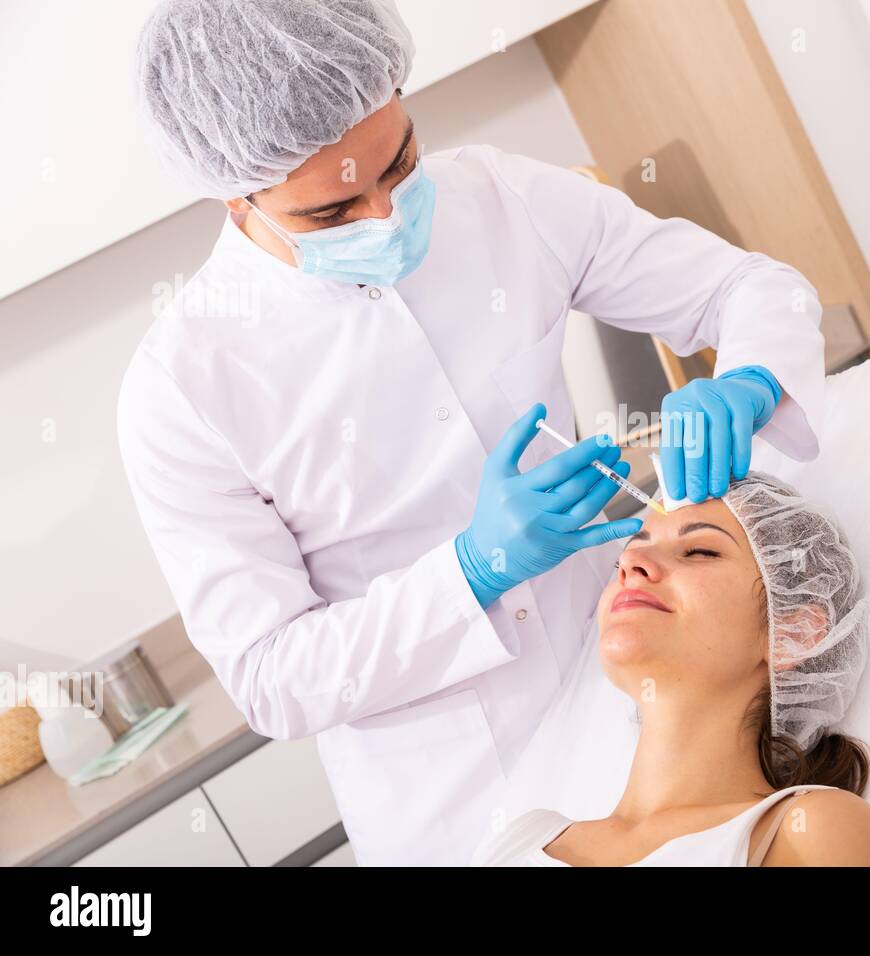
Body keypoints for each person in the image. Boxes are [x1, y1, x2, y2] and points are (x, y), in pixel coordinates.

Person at [120, 0, 826, 864]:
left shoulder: (500, 197)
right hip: (451, 806)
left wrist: (750, 376)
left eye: (401, 163)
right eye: (334, 213)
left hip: (640, 721)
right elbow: (273, 680)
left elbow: (747, 289)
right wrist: (472, 570)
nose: (386, 215)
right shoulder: (184, 388)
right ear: (238, 197)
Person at [474, 473, 870, 866]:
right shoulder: (519, 840)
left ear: (794, 632)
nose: (632, 561)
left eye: (699, 550)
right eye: (625, 552)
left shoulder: (805, 832)